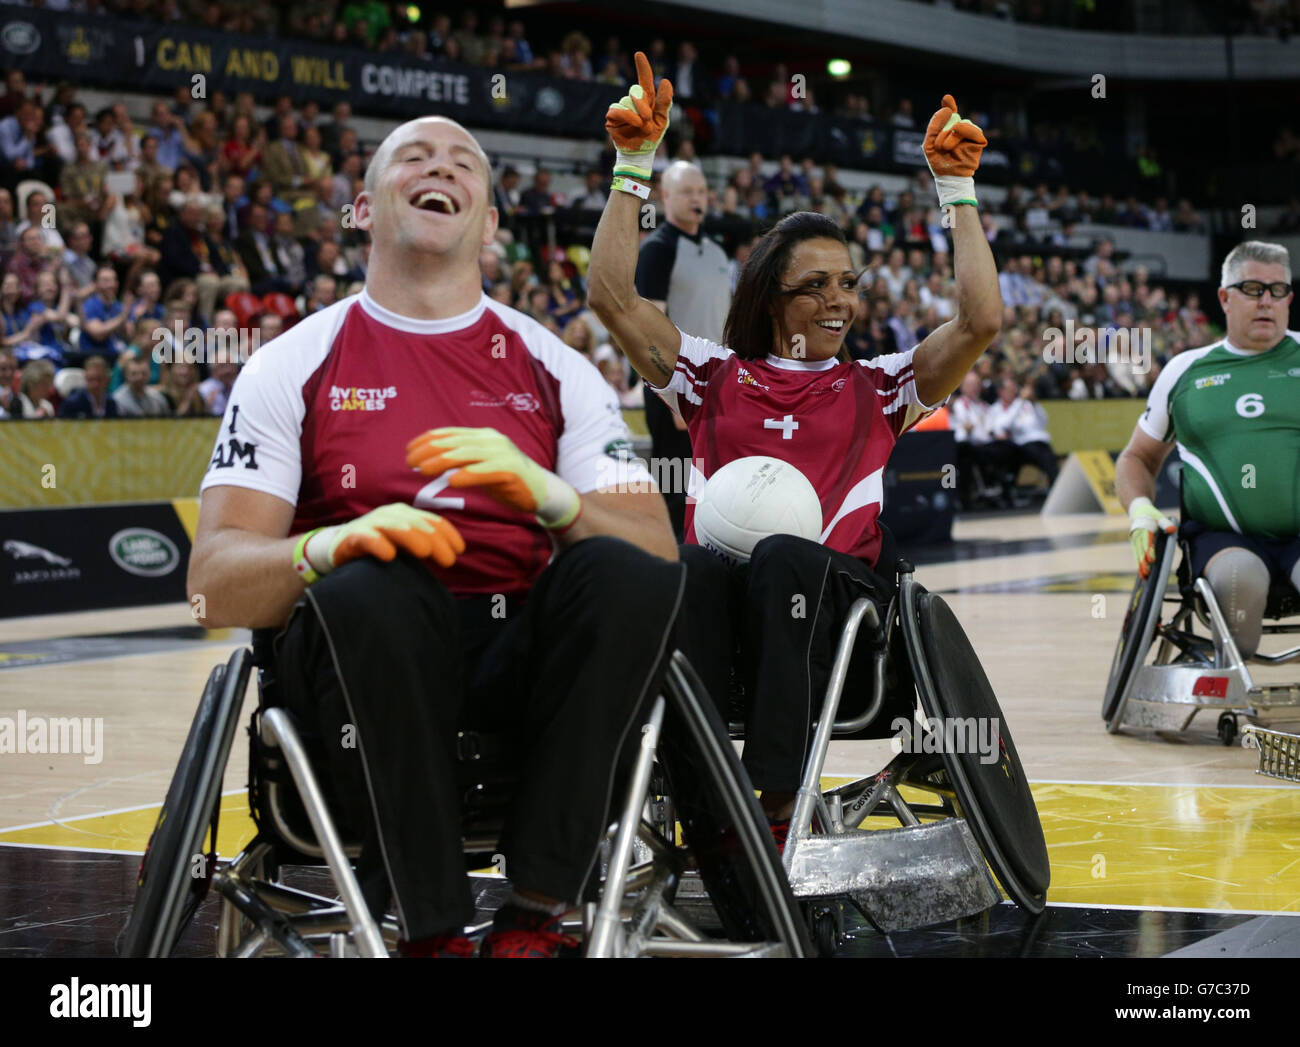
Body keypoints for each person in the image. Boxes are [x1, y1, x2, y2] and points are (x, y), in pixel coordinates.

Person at [188, 114, 680, 958]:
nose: (437, 166)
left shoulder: (558, 367)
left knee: (621, 571)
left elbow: (659, 565)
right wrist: (334, 543)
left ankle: (535, 911)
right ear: (366, 209)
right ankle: (431, 928)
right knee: (379, 578)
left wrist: (553, 499)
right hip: (357, 662)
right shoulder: (288, 363)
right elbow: (213, 586)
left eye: (463, 162)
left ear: (488, 221)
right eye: (412, 156)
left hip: (516, 660)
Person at [589, 57, 1000, 839]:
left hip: (837, 610)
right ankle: (700, 791)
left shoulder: (878, 387)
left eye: (849, 282)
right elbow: (611, 297)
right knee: (693, 564)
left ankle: (775, 804)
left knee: (781, 555)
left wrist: (959, 192)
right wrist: (632, 166)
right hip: (723, 604)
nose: (840, 299)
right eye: (818, 284)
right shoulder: (711, 376)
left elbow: (980, 322)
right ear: (773, 296)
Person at [1117, 241, 1300, 660]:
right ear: (1224, 297)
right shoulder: (1185, 371)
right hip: (1222, 541)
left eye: (1278, 290)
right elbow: (1137, 458)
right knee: (1243, 580)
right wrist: (1140, 511)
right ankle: (1233, 678)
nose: (1266, 301)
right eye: (1252, 288)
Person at [634, 159, 732, 540]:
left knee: (715, 486)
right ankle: (672, 572)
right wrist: (671, 391)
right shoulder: (657, 250)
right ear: (666, 196)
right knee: (675, 485)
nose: (697, 198)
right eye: (687, 191)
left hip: (718, 384)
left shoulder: (718, 251)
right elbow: (648, 329)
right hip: (672, 387)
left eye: (702, 191)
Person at [58, 354, 119, 418]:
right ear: (85, 378)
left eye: (99, 379)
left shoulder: (111, 403)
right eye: (91, 379)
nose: (95, 384)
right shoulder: (71, 403)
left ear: (107, 379)